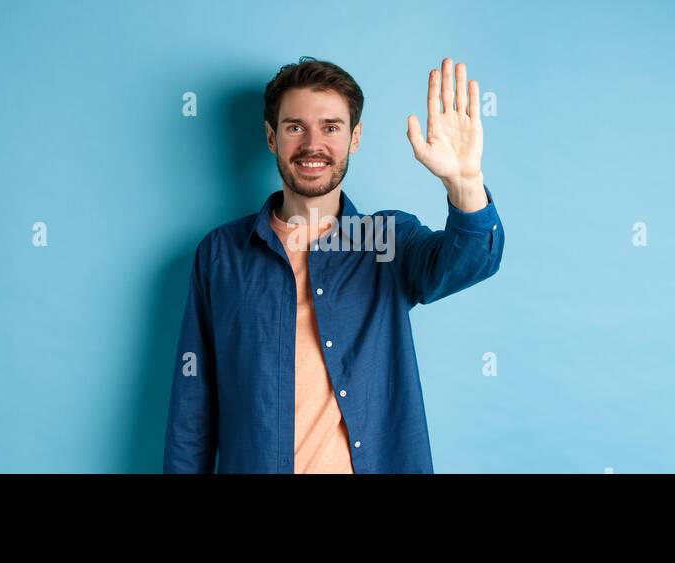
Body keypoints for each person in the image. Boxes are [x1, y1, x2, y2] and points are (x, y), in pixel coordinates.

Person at [163, 56, 504, 473]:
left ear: (354, 137)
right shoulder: (221, 254)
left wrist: (464, 181)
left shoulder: (387, 241)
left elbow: (473, 260)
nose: (312, 145)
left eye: (330, 127)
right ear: (271, 138)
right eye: (294, 127)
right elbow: (192, 407)